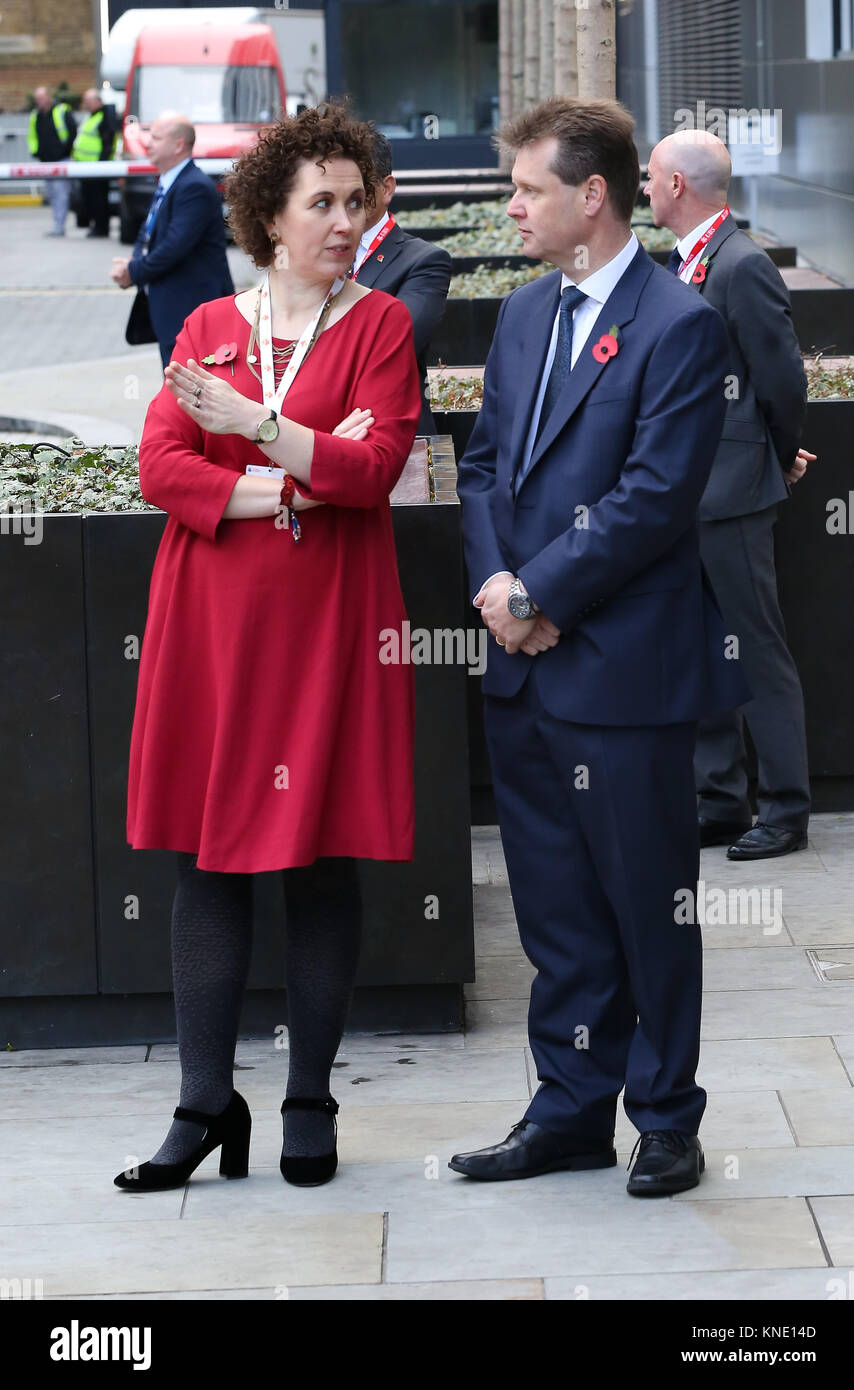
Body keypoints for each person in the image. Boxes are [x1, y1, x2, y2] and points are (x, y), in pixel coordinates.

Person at [115, 103, 421, 1194]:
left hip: (328, 624)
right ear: (269, 215)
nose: (346, 220)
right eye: (323, 203)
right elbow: (160, 467)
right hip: (212, 625)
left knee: (319, 854)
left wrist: (247, 429)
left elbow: (373, 469)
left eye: (357, 200)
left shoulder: (378, 323)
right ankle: (203, 1104)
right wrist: (283, 477)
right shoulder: (204, 325)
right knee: (206, 859)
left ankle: (306, 1096)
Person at [451, 97, 749, 1196]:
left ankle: (665, 1114)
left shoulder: (678, 325)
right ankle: (570, 1109)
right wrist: (497, 587)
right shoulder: (526, 314)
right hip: (521, 664)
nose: (510, 206)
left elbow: (652, 501)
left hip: (616, 671)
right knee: (557, 913)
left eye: (526, 187)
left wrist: (539, 592)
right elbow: (481, 464)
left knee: (645, 903)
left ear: (591, 195)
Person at [646, 129, 813, 861]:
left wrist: (775, 460)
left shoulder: (738, 265)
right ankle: (720, 801)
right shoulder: (688, 263)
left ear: (679, 186)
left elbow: (783, 379)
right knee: (705, 649)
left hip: (734, 494)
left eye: (650, 178)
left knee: (759, 653)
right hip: (687, 496)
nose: (643, 189)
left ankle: (785, 810)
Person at [110, 113, 233, 367]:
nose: (148, 143)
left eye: (156, 137)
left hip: (191, 311)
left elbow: (174, 247)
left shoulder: (193, 187)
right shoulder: (171, 181)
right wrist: (134, 261)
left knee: (191, 394)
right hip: (173, 310)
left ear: (178, 145)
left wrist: (133, 271)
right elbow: (149, 233)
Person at [352, 127, 451, 435]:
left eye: (359, 187)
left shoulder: (423, 260)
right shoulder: (311, 254)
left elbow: (396, 344)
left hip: (392, 432)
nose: (347, 200)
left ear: (386, 188)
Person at [28, 86, 76, 237]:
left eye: (41, 98)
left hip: (61, 160)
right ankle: (57, 224)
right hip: (46, 162)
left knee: (61, 194)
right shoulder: (35, 115)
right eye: (37, 99)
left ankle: (59, 226)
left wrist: (64, 151)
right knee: (53, 195)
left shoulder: (61, 111)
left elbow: (72, 132)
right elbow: (33, 136)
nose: (39, 102)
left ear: (49, 97)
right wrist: (36, 153)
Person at [72, 88, 117, 238]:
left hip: (97, 167)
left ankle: (101, 228)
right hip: (87, 166)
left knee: (99, 200)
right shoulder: (91, 116)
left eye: (88, 101)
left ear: (97, 101)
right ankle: (96, 226)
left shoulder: (103, 117)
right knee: (91, 199)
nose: (86, 104)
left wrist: (102, 163)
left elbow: (108, 143)